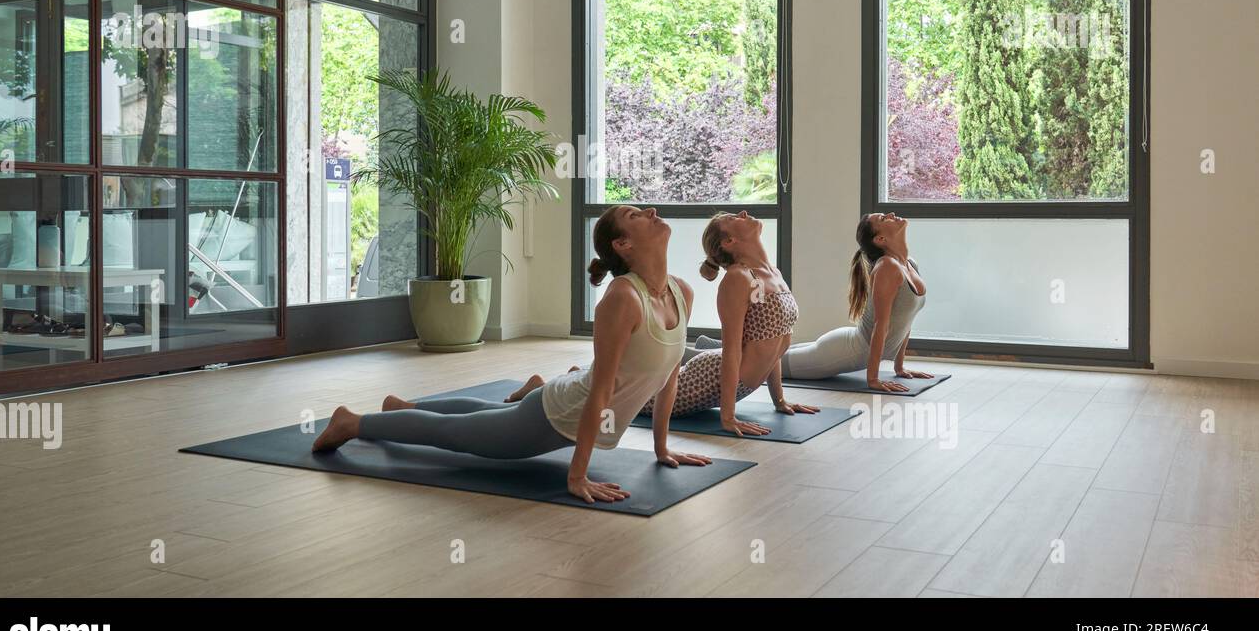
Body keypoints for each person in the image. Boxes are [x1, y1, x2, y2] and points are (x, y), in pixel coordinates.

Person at [311, 205, 711, 505]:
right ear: (622, 245)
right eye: (637, 214)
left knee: (489, 418)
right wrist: (577, 476)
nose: (651, 212)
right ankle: (353, 423)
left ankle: (404, 406)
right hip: (554, 417)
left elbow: (668, 377)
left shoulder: (681, 291)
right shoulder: (623, 298)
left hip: (561, 397)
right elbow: (601, 391)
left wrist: (662, 449)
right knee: (451, 436)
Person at [732, 212, 933, 393]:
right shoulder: (888, 267)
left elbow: (906, 319)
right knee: (755, 360)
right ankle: (702, 352)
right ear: (880, 239)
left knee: (760, 351)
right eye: (883, 218)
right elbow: (881, 326)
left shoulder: (909, 264)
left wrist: (899, 367)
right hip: (842, 352)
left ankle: (711, 347)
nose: (891, 214)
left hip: (846, 343)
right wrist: (872, 379)